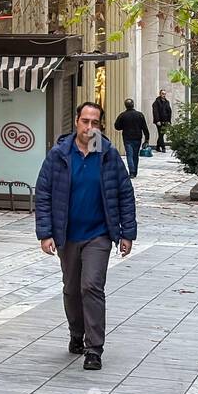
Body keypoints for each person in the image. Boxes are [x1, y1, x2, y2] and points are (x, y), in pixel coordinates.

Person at [34, 102, 136, 371]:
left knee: (91, 286)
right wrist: (45, 233)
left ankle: (94, 348)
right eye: (85, 121)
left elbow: (124, 194)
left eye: (95, 122)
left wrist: (128, 233)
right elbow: (43, 194)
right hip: (67, 235)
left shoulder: (107, 155)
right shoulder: (59, 155)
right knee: (71, 289)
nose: (89, 127)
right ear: (76, 122)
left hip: (99, 234)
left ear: (100, 125)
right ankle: (76, 333)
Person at [112, 98, 151, 177]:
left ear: (125, 106)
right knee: (135, 155)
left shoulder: (123, 115)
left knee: (129, 155)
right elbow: (144, 127)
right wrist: (147, 138)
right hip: (137, 137)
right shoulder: (139, 115)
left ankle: (132, 172)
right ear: (133, 105)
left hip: (127, 137)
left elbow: (117, 126)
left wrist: (123, 126)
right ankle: (135, 171)